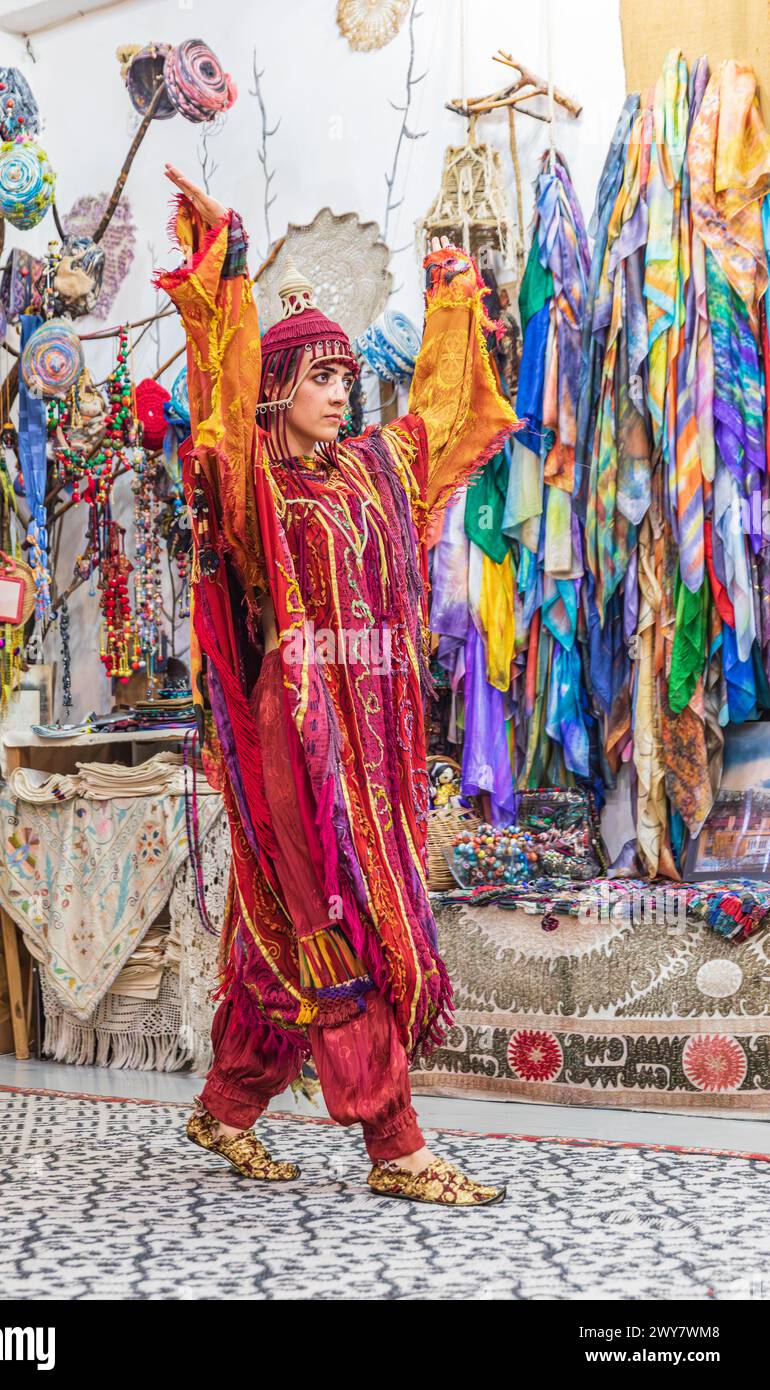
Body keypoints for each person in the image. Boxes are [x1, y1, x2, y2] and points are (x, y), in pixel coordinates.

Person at [158, 164, 520, 1206]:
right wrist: (222, 281)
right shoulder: (251, 492)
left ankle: (224, 1107)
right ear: (277, 389)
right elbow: (217, 416)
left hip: (374, 732)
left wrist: (453, 299)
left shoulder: (371, 470)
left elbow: (444, 417)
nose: (342, 392)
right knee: (336, 919)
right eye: (322, 377)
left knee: (280, 928)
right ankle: (393, 1139)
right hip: (297, 740)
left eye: (346, 377)